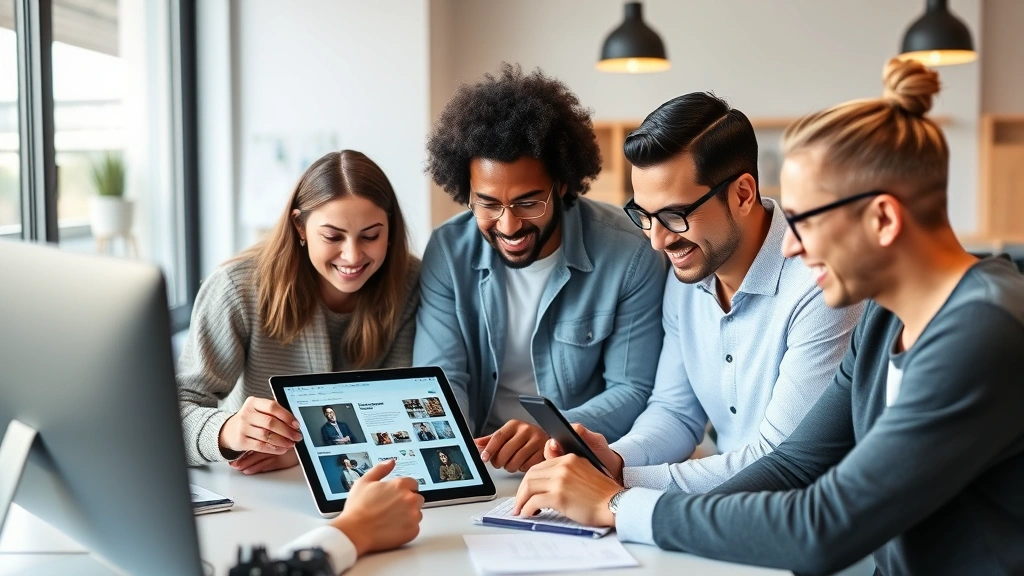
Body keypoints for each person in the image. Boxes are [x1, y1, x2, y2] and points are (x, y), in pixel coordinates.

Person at [514, 59, 1024, 575]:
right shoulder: (887, 320)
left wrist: (618, 505)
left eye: (804, 221)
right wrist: (622, 494)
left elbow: (823, 525)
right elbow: (791, 464)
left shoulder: (982, 330)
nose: (794, 246)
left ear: (883, 219)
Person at [538, 92, 862, 496]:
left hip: (809, 523)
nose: (657, 241)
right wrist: (615, 459)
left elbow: (779, 460)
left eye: (675, 215)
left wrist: (619, 484)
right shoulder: (687, 275)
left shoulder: (821, 285)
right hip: (730, 513)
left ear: (743, 194)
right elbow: (675, 413)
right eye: (643, 216)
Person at [416, 63, 667, 473]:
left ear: (563, 184)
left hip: (575, 458)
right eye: (488, 204)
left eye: (529, 202)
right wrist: (454, 457)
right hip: (477, 458)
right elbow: (442, 379)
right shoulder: (447, 250)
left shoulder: (629, 254)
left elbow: (632, 388)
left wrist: (554, 430)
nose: (509, 225)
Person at [177, 150, 420, 474]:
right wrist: (229, 431)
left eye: (371, 236)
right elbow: (173, 414)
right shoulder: (237, 288)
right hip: (258, 488)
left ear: (390, 230)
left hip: (366, 480)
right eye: (333, 236)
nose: (352, 255)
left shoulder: (411, 283)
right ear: (300, 226)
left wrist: (306, 450)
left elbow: (400, 409)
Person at [278, 459, 423, 575]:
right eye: (346, 462)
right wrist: (359, 525)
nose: (348, 463)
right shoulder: (344, 474)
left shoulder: (356, 470)